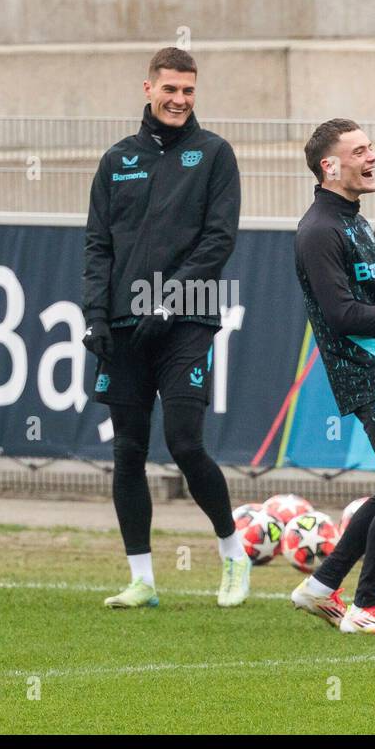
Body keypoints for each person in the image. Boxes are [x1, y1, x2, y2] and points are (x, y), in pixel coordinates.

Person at [82, 47, 247, 609]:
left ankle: (233, 553)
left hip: (188, 319)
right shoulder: (116, 160)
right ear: (147, 88)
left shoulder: (215, 155)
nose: (179, 100)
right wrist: (95, 318)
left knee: (182, 441)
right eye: (170, 89)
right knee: (128, 450)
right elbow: (98, 246)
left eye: (189, 91)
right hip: (125, 324)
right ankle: (142, 580)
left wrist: (169, 301)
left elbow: (219, 240)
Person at [289, 119, 375, 635]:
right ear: (330, 166)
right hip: (368, 372)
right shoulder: (319, 230)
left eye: (371, 148)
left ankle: (321, 587)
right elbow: (343, 315)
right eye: (360, 150)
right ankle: (364, 606)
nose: (372, 157)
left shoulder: (353, 220)